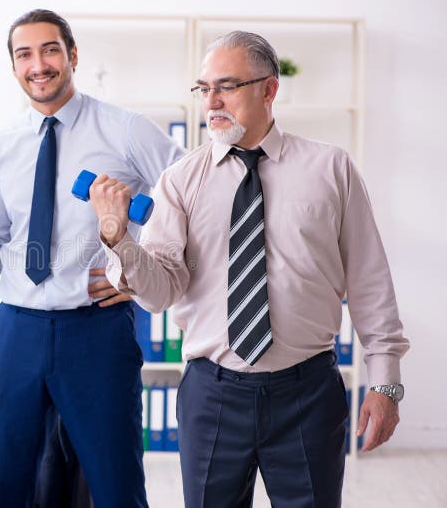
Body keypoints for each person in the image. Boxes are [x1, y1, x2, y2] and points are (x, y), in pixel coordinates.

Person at [88, 30, 410, 507]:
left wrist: (385, 382)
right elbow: (159, 292)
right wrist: (119, 239)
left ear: (269, 89)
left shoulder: (331, 169)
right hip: (212, 395)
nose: (211, 101)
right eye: (204, 88)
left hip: (307, 393)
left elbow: (369, 280)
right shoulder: (180, 180)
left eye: (227, 86)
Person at [0, 9, 183, 507]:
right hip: (18, 331)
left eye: (50, 50)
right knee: (8, 486)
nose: (39, 65)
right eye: (24, 54)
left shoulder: (125, 130)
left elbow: (193, 201)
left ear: (72, 55)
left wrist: (137, 273)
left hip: (97, 331)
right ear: (13, 67)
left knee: (116, 485)